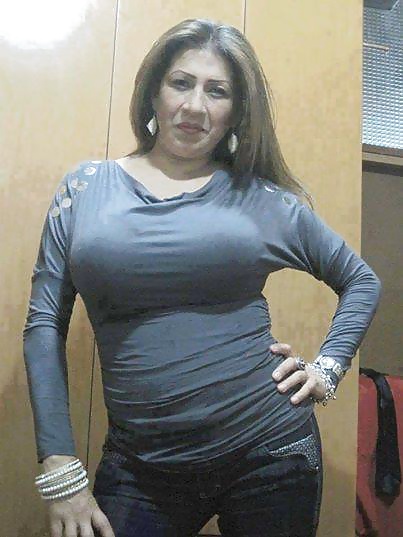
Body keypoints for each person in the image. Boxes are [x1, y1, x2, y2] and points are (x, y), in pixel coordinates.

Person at [23, 18, 381, 537]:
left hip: (270, 450)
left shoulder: (261, 200)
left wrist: (326, 369)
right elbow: (43, 325)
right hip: (140, 467)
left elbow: (360, 280)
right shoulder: (84, 190)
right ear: (153, 91)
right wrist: (59, 465)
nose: (195, 106)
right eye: (181, 83)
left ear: (237, 111)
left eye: (218, 91)